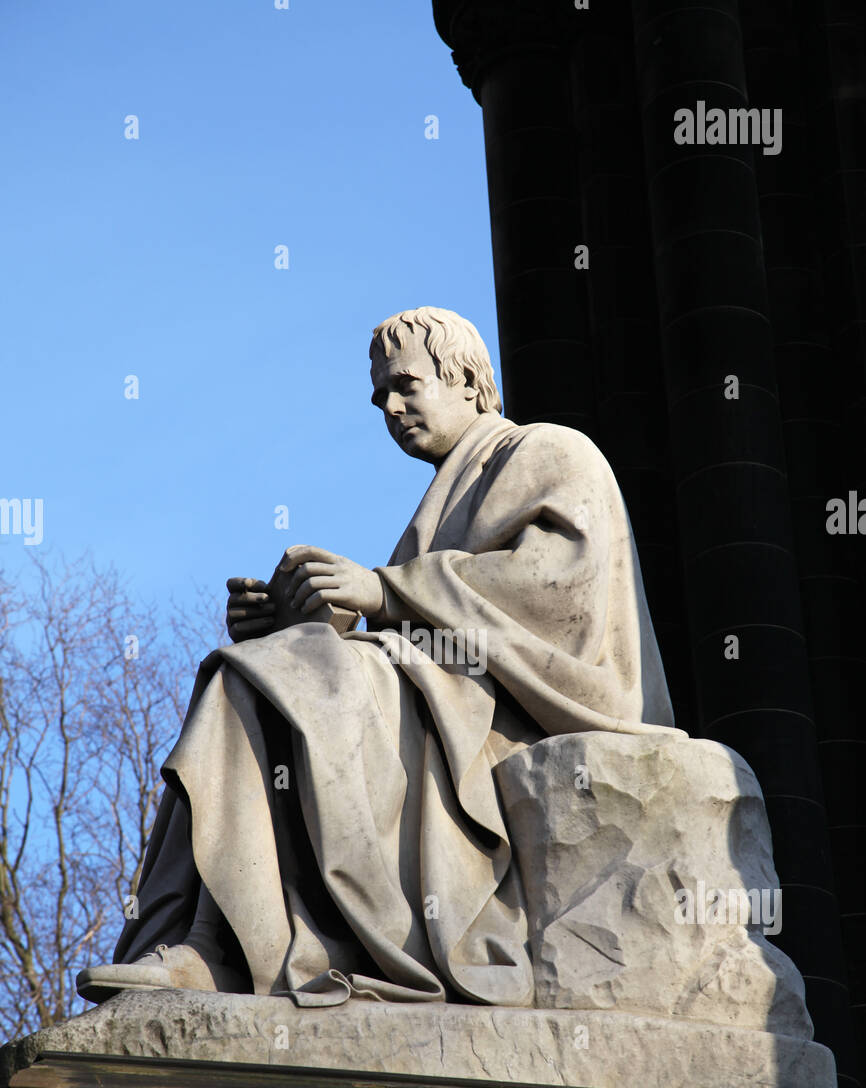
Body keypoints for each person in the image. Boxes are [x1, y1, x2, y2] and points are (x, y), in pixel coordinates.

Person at [77, 306, 676, 1009]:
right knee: (252, 674)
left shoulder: (547, 452)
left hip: (516, 715)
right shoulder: (444, 497)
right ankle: (208, 942)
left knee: (284, 676)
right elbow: (405, 637)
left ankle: (242, 946)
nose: (391, 409)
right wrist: (294, 622)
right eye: (380, 398)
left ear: (468, 381)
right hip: (440, 706)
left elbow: (557, 594)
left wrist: (385, 591)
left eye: (406, 385)